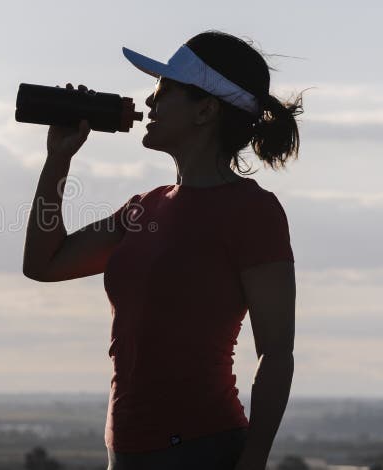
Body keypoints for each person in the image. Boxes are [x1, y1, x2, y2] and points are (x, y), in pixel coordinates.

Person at [22, 30, 304, 470]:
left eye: (164, 89)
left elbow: (276, 352)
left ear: (206, 109)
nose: (150, 103)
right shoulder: (144, 208)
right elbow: (44, 263)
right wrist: (58, 159)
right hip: (125, 450)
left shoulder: (253, 211)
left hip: (202, 449)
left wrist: (252, 463)